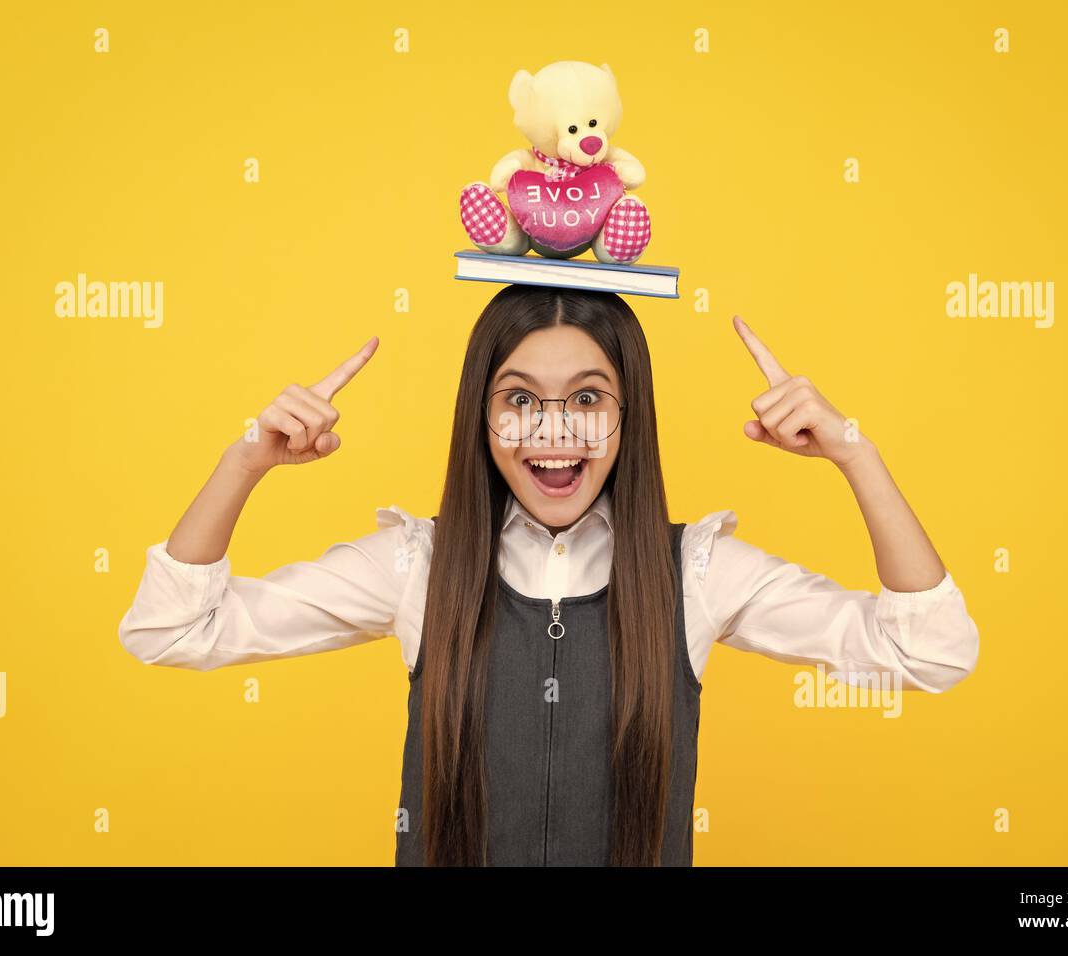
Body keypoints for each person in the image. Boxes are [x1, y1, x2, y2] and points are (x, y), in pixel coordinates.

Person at [118, 284, 979, 866]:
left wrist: (852, 453)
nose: (555, 430)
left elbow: (931, 652)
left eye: (590, 399)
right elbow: (170, 630)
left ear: (627, 414)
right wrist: (246, 464)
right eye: (521, 398)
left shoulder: (699, 574)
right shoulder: (416, 567)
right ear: (482, 415)